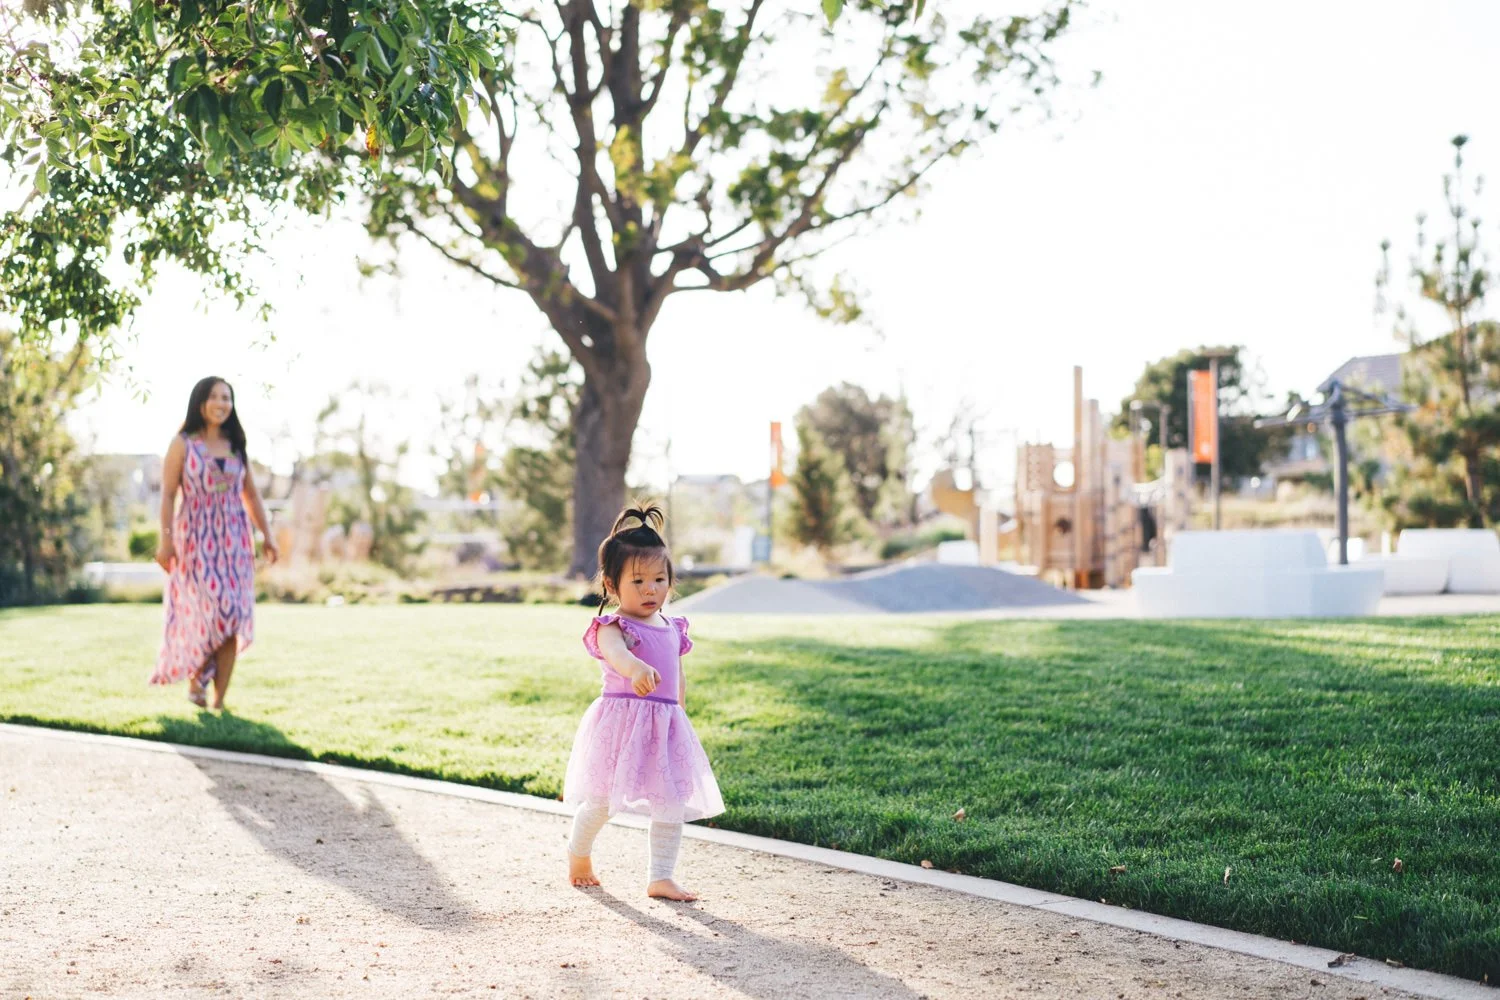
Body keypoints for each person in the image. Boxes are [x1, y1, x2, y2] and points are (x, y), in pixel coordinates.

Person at [563, 503, 723, 901]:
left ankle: (661, 876)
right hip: (622, 725)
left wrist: (680, 710)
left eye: (659, 579)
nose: (650, 589)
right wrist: (634, 668)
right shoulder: (613, 626)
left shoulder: (673, 627)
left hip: (664, 724)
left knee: (670, 802)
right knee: (602, 801)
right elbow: (616, 654)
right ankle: (578, 853)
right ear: (613, 585)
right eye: (638, 581)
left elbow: (677, 674)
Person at [149, 376, 278, 709]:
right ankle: (197, 678)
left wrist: (268, 535)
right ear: (200, 402)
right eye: (215, 397)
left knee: (234, 614)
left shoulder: (236, 444)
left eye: (227, 398)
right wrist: (166, 542)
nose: (222, 404)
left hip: (235, 541)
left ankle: (218, 700)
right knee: (211, 612)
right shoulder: (183, 443)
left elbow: (251, 494)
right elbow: (167, 493)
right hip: (195, 540)